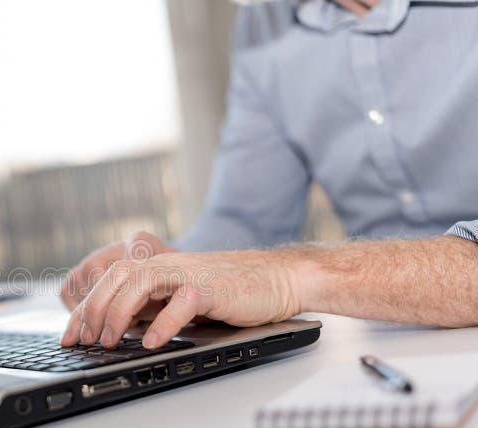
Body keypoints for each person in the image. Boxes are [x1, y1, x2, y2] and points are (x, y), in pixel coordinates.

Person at [60, 0, 478, 350]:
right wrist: (175, 270)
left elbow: (277, 271)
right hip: (382, 354)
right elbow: (247, 218)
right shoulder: (263, 26)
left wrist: (291, 274)